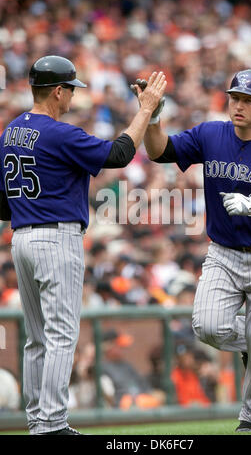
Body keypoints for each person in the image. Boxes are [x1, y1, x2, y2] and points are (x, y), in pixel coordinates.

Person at [0, 55, 166, 435]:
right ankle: (53, 423)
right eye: (71, 89)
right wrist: (145, 110)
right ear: (58, 91)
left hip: (21, 237)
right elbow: (119, 154)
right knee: (60, 334)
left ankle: (37, 420)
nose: (73, 96)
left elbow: (0, 201)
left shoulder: (10, 131)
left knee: (36, 338)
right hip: (55, 237)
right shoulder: (58, 133)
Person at [137, 69, 251, 432]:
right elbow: (160, 151)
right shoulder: (211, 133)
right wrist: (154, 117)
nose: (238, 106)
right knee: (208, 326)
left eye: (247, 100)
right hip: (224, 251)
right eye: (235, 98)